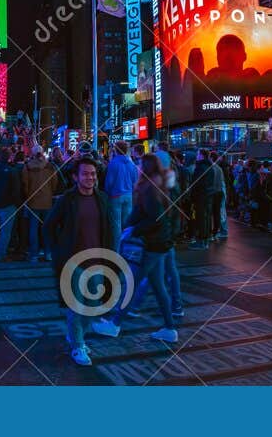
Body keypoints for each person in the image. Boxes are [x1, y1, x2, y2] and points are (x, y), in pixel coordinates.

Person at [91, 154, 178, 345]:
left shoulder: (150, 189)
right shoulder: (157, 185)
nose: (137, 167)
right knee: (158, 287)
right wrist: (130, 225)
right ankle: (170, 328)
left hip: (152, 245)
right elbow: (144, 214)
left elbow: (155, 218)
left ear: (145, 168)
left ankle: (115, 324)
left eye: (139, 164)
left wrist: (134, 230)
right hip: (159, 244)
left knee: (132, 284)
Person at [45, 156, 117, 366]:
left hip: (98, 261)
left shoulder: (102, 198)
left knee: (93, 307)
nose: (90, 178)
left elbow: (110, 228)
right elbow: (49, 226)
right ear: (75, 177)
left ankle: (75, 335)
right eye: (85, 174)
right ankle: (78, 345)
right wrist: (57, 252)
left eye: (93, 174)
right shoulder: (67, 200)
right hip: (73, 262)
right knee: (75, 306)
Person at [22, 148, 57, 262]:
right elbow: (54, 182)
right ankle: (48, 253)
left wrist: (28, 195)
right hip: (47, 201)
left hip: (33, 201)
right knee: (47, 228)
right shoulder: (49, 166)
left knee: (33, 229)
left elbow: (25, 183)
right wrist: (50, 193)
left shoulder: (27, 166)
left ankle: (34, 254)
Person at [102, 143, 137, 251]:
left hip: (115, 196)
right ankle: (125, 250)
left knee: (116, 226)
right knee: (126, 225)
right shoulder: (131, 163)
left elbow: (109, 182)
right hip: (128, 196)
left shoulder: (113, 163)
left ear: (116, 150)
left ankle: (116, 251)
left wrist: (107, 194)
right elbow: (135, 181)